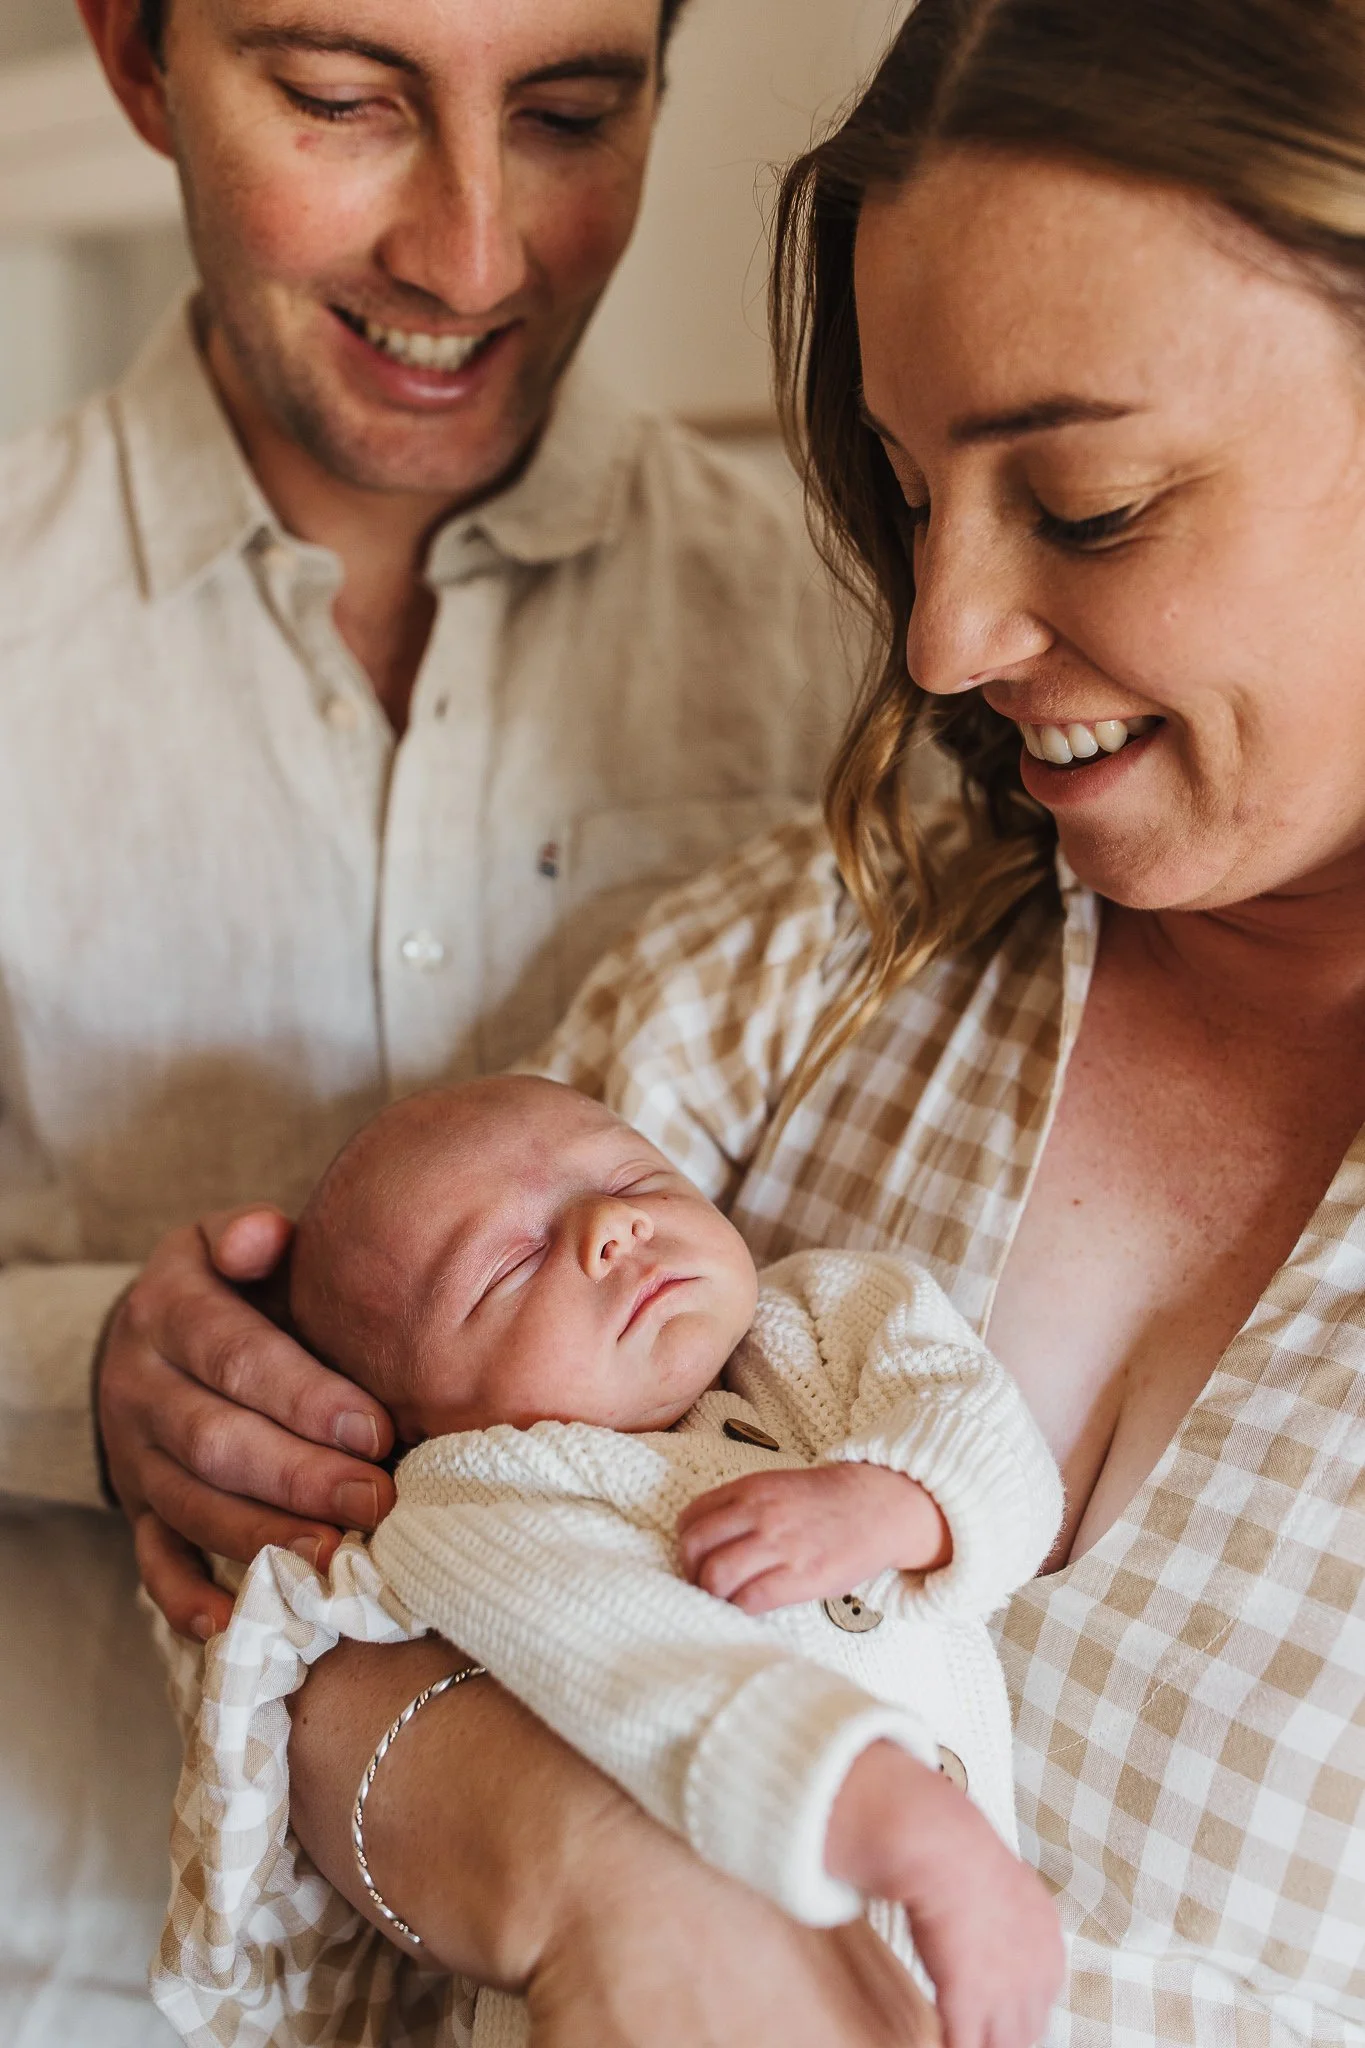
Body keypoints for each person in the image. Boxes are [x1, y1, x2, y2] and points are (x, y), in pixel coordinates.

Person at [118, 0, 1365, 2041]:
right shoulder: (807, 964)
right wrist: (612, 1884)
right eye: (902, 485)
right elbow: (291, 1620)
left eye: (1086, 506)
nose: (942, 635)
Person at [0, 0, 859, 2037]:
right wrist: (73, 1370)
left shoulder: (849, 645)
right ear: (137, 58)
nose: (470, 256)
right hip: (73, 1950)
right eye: (341, 101)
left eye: (569, 113)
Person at [152, 1075, 1062, 2046]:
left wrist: (901, 1500)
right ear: (411, 1422)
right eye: (510, 1262)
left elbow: (993, 1438)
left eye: (634, 1174)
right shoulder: (476, 1499)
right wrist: (899, 1818)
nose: (612, 1225)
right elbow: (640, 1663)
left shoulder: (833, 1314)